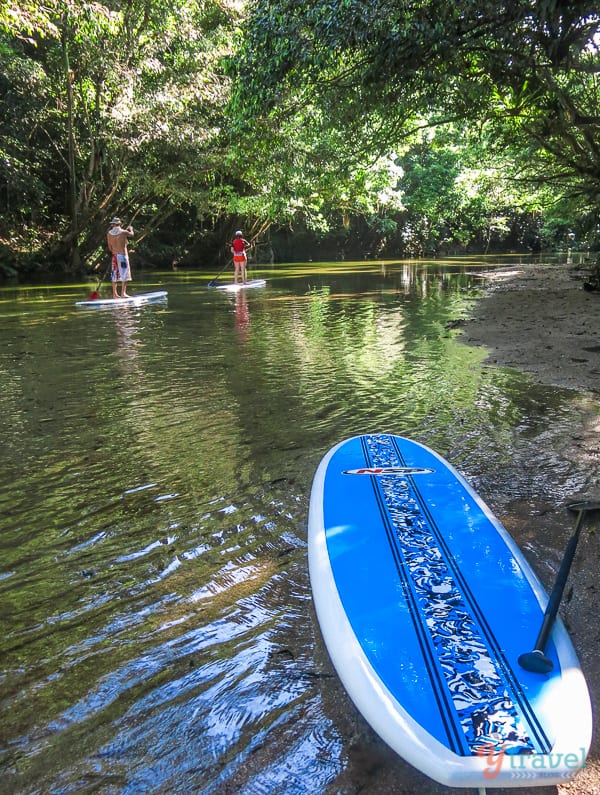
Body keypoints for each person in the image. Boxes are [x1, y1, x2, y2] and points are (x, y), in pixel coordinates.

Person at [107, 217, 134, 298]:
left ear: (112, 224)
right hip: (122, 256)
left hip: (114, 256)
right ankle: (123, 293)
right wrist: (131, 229)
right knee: (124, 274)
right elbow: (132, 235)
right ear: (120, 224)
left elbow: (110, 248)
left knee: (114, 275)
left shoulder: (109, 233)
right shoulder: (123, 232)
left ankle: (115, 294)